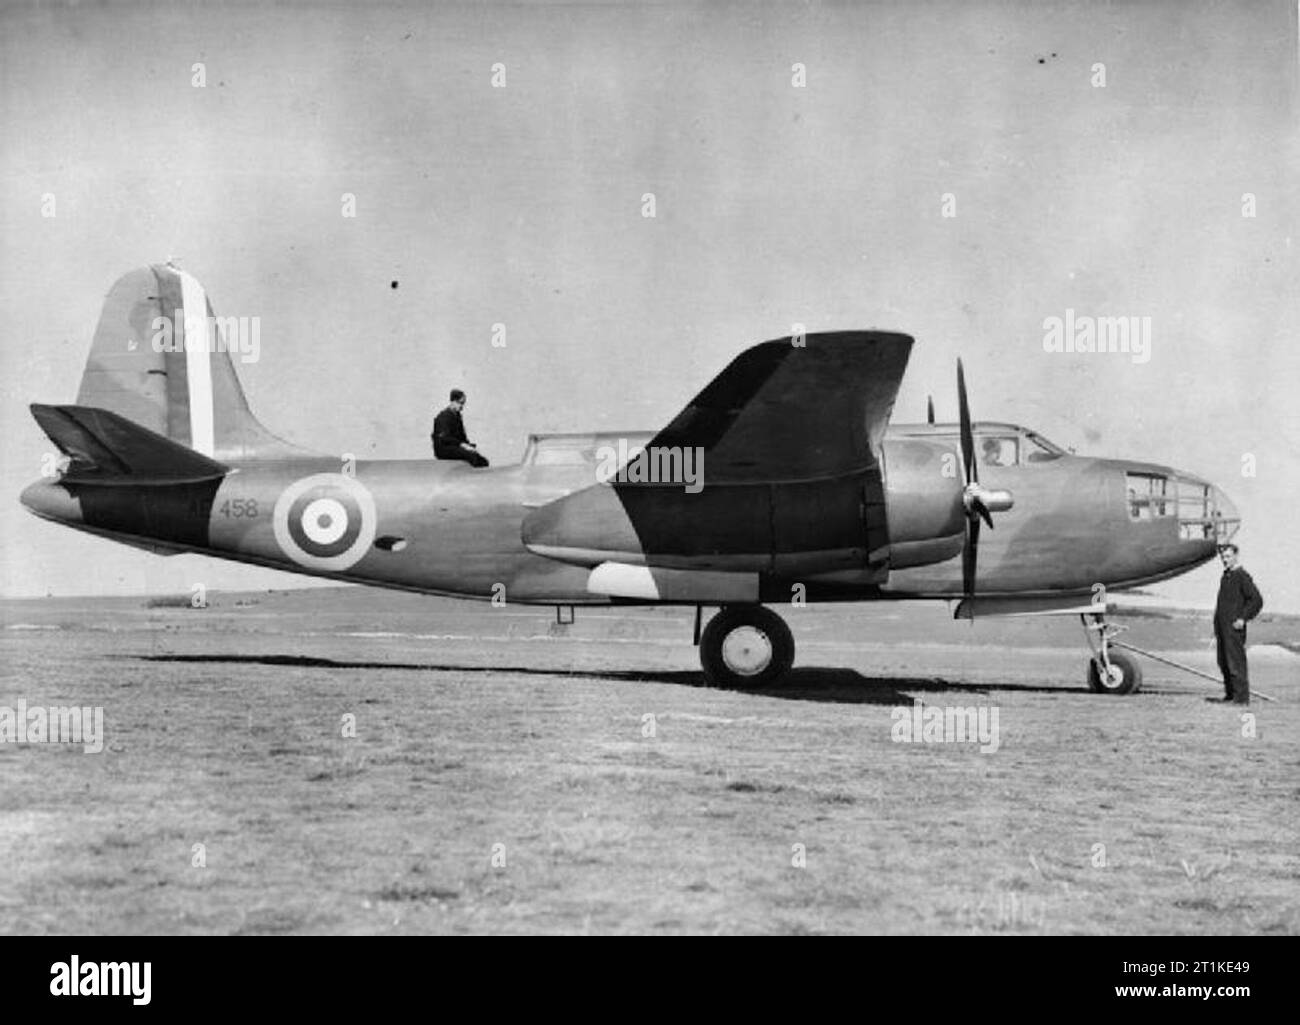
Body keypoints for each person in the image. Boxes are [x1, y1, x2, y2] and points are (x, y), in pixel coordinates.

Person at [1209, 543, 1262, 705]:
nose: (1225, 560)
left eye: (1228, 557)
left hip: (1234, 628)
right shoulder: (1226, 576)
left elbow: (1256, 600)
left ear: (1236, 556)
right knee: (1223, 661)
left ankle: (1241, 699)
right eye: (1223, 557)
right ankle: (1230, 695)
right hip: (1222, 628)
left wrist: (1243, 618)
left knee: (1235, 662)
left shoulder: (1241, 576)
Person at [431, 389, 489, 467]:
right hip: (443, 449)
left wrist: (469, 446)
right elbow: (445, 438)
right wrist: (462, 445)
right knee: (471, 457)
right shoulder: (443, 417)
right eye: (460, 403)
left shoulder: (457, 416)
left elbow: (462, 436)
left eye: (463, 404)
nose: (462, 406)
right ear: (453, 401)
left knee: (482, 459)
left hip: (455, 446)